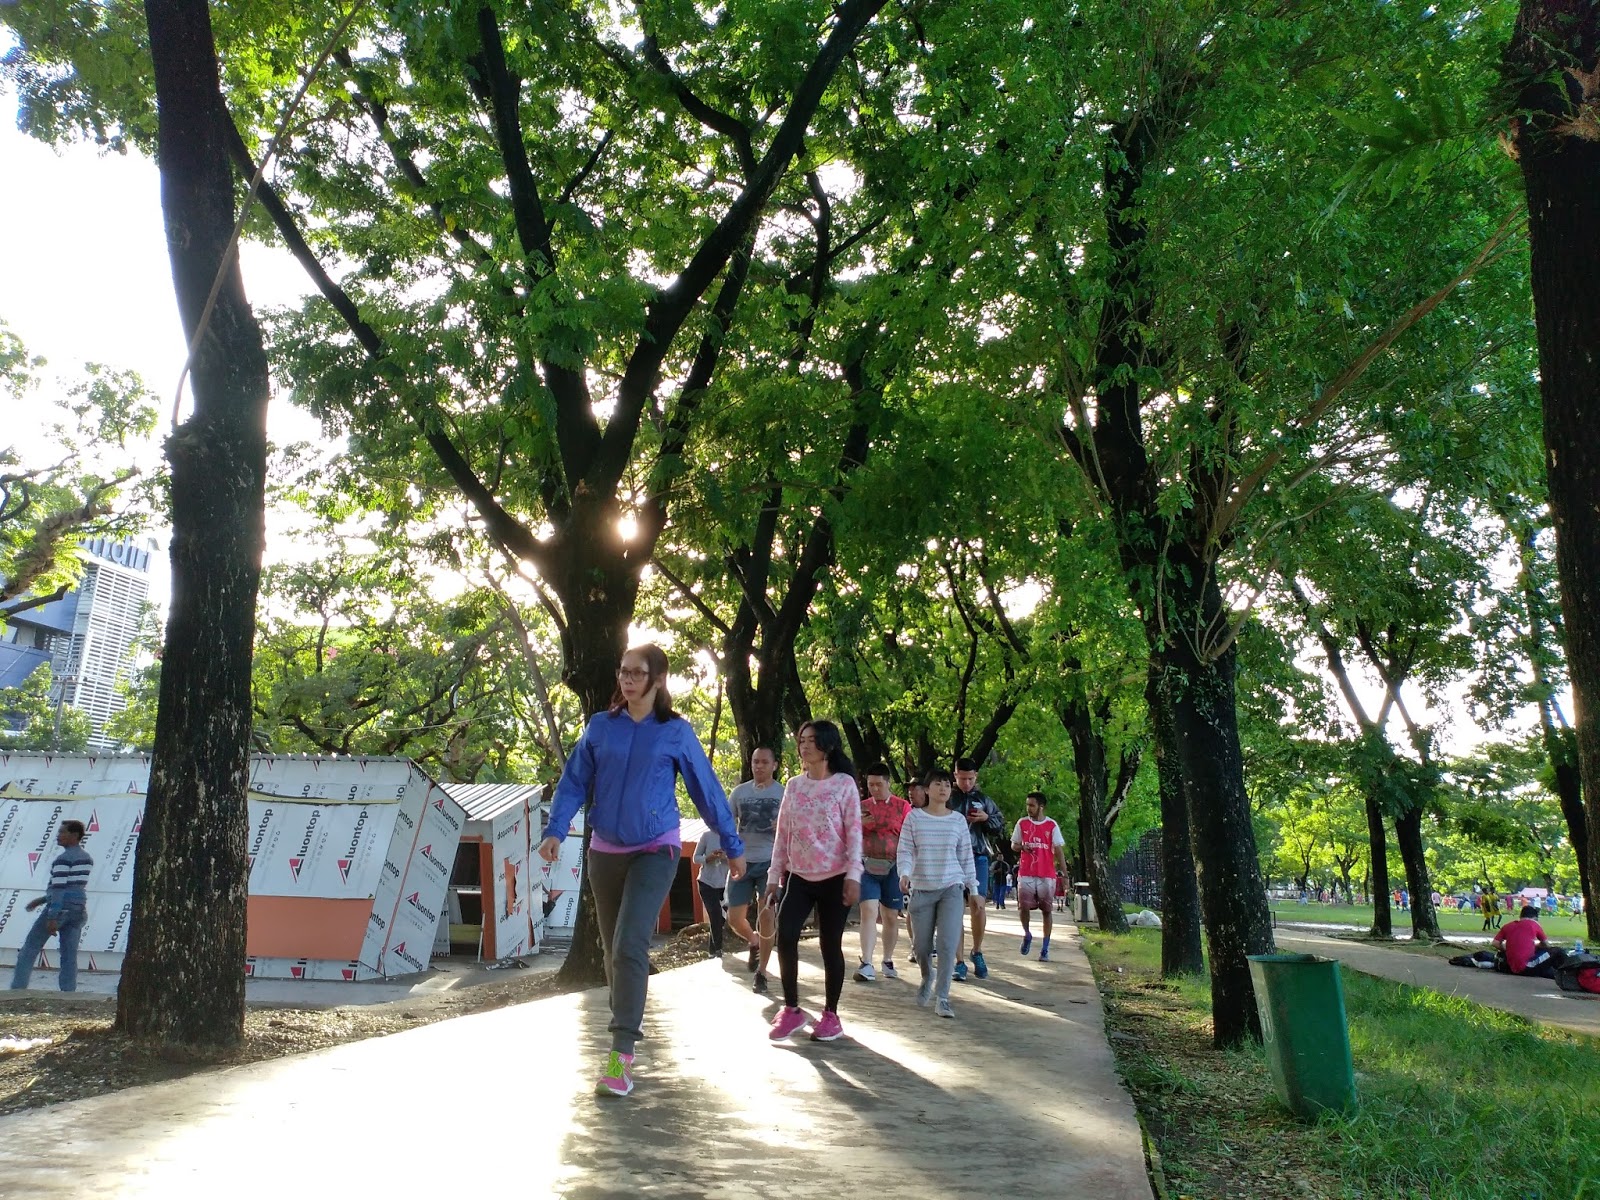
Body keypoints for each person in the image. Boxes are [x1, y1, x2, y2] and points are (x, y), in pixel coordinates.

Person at [537, 644, 746, 1098]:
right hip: (604, 852)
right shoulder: (600, 728)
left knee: (631, 943)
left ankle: (620, 1057)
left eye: (637, 672)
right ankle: (623, 1039)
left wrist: (731, 845)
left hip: (656, 848)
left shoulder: (675, 732)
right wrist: (556, 830)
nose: (627, 679)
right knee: (615, 952)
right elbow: (574, 781)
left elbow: (707, 790)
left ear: (657, 679)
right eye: (623, 671)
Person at [766, 720, 863, 1043]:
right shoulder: (794, 786)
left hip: (835, 877)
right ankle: (792, 1009)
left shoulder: (844, 785)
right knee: (787, 934)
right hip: (798, 876)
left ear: (827, 745)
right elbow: (782, 835)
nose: (804, 746)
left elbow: (854, 834)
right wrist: (772, 878)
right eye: (801, 740)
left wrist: (853, 875)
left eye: (810, 740)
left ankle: (831, 1015)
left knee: (829, 944)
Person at [897, 768, 978, 1019]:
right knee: (921, 947)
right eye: (937, 784)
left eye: (946, 784)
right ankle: (926, 976)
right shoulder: (914, 818)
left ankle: (943, 997)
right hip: (921, 889)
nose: (943, 788)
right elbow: (906, 850)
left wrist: (973, 888)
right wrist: (905, 873)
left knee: (947, 943)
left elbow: (966, 855)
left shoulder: (958, 820)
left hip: (951, 888)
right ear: (926, 789)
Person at [725, 746, 785, 996]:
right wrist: (730, 854)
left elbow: (794, 827)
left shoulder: (783, 793)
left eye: (764, 762)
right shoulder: (739, 792)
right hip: (743, 861)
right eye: (755, 762)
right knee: (734, 920)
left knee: (767, 915)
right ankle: (754, 940)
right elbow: (727, 825)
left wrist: (780, 825)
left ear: (774, 765)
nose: (759, 766)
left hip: (770, 863)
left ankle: (761, 972)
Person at [9, 820, 92, 993]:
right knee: (69, 955)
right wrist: (40, 901)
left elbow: (60, 889)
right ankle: (68, 992)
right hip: (78, 909)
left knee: (29, 949)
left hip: (60, 909)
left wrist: (52, 916)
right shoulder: (87, 859)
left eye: (63, 832)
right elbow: (73, 887)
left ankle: (18, 989)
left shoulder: (63, 860)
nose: (58, 835)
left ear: (75, 836)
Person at [855, 765, 910, 982]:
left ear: (888, 783)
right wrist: (858, 824)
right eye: (871, 785)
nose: (875, 789)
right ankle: (866, 961)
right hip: (866, 864)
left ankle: (887, 959)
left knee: (890, 916)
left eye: (879, 784)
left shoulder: (902, 807)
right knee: (868, 910)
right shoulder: (860, 807)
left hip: (894, 866)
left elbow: (910, 836)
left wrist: (908, 869)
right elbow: (845, 831)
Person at [950, 757, 1004, 981]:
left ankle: (977, 951)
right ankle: (959, 961)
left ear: (976, 777)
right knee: (954, 909)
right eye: (962, 778)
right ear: (955, 776)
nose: (966, 783)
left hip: (978, 856)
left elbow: (1000, 825)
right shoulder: (947, 798)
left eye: (970, 779)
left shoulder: (984, 800)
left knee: (978, 905)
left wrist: (986, 818)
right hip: (951, 858)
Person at [1013, 792, 1068, 961]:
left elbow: (1058, 850)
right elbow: (1013, 845)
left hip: (1046, 874)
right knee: (1023, 907)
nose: (1028, 808)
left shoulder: (1051, 825)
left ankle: (1045, 947)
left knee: (1047, 910)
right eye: (1027, 805)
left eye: (1032, 805)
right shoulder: (1022, 823)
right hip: (1026, 873)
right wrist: (1022, 847)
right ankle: (1027, 934)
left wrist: (1065, 874)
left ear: (1041, 807)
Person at [1493, 905, 1569, 978]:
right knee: (1557, 951)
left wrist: (1506, 950)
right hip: (1526, 966)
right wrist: (1538, 946)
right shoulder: (1533, 924)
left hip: (1511, 965)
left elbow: (1495, 943)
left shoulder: (1508, 926)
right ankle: (1568, 972)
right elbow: (1546, 945)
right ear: (1534, 918)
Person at [692, 828, 731, 958]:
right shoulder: (707, 836)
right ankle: (718, 950)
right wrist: (708, 858)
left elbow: (741, 859)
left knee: (721, 918)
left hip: (725, 884)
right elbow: (695, 858)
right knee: (715, 913)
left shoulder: (733, 836)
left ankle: (712, 950)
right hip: (707, 882)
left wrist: (726, 857)